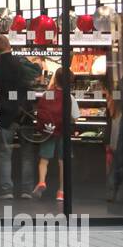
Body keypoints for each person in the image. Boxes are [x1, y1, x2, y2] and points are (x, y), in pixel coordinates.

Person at [0, 35, 37, 200]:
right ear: (9, 45)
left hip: (6, 114)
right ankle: (27, 190)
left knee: (5, 153)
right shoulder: (21, 62)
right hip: (25, 114)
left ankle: (6, 189)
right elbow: (37, 73)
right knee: (27, 154)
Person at [32, 67, 78, 203]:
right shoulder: (69, 97)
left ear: (55, 79)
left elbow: (39, 112)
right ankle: (61, 192)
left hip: (48, 131)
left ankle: (41, 181)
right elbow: (75, 117)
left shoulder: (47, 94)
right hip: (64, 131)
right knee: (63, 161)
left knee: (44, 159)